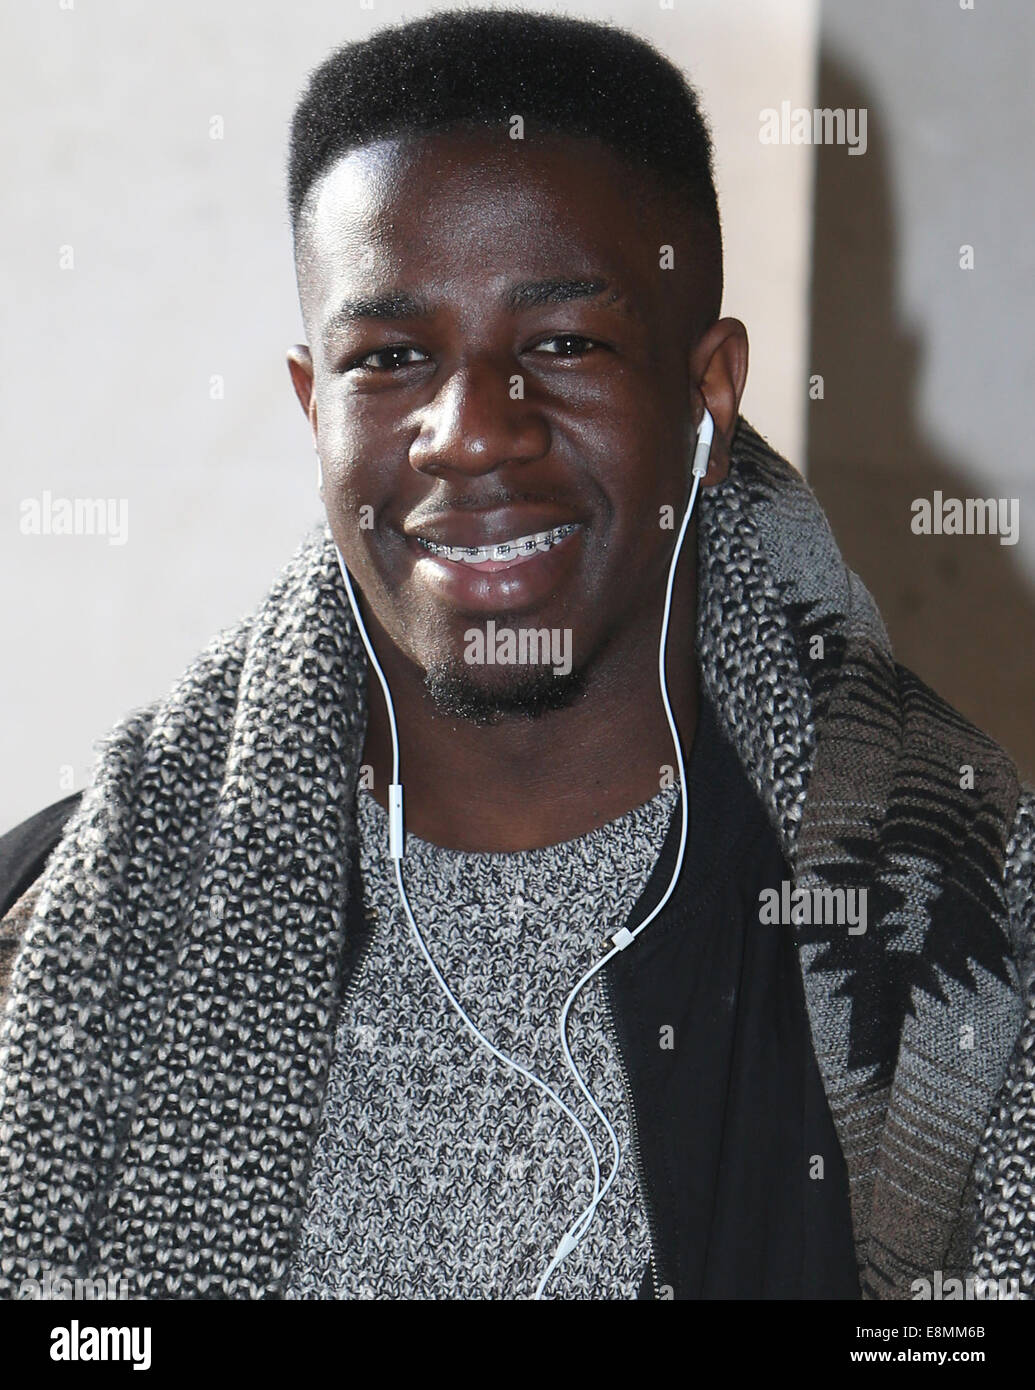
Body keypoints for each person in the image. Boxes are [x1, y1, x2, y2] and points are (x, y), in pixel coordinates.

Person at [1, 8, 1032, 1302]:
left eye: (563, 344)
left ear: (709, 386)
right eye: (388, 357)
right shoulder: (56, 935)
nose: (473, 432)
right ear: (315, 406)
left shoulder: (979, 948)